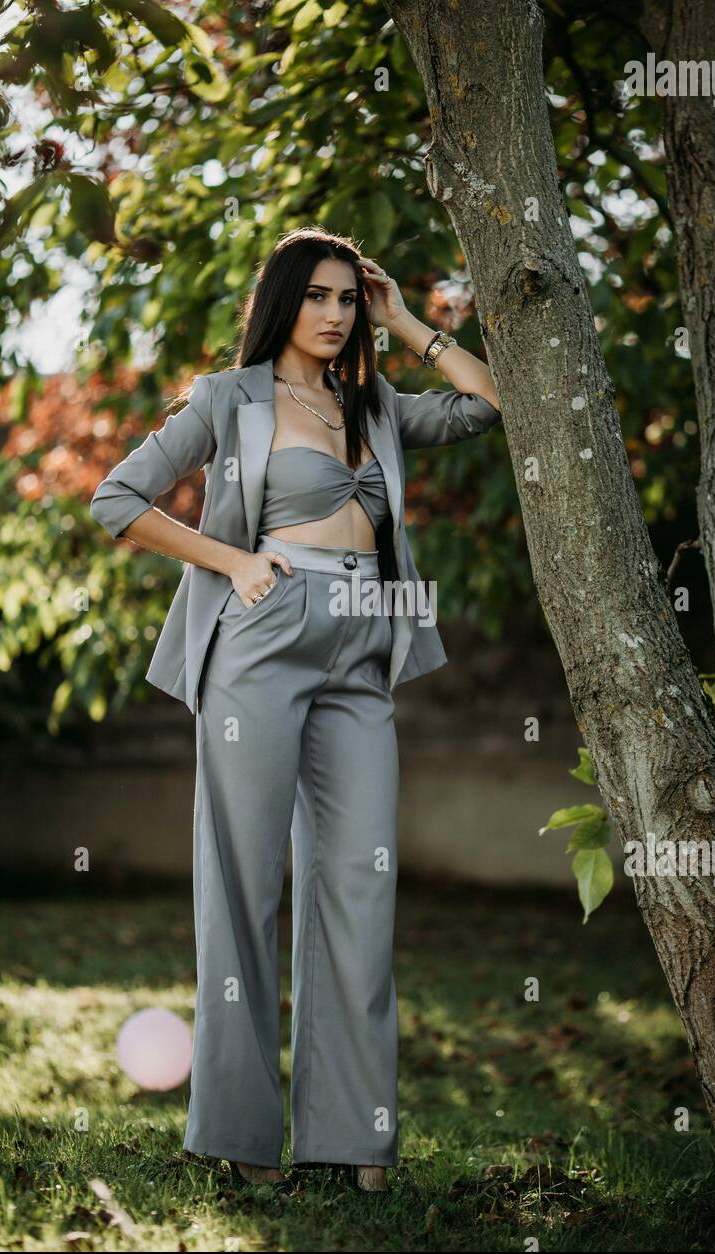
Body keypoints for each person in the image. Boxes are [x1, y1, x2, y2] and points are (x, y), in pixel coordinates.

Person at [90, 227, 501, 1193]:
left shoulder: (375, 403)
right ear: (283, 302)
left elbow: (496, 405)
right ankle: (237, 1133)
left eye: (348, 300)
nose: (334, 314)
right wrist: (234, 560)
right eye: (317, 296)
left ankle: (352, 1139)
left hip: (366, 640)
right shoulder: (228, 398)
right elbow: (118, 500)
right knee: (243, 882)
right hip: (265, 634)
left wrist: (407, 320)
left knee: (360, 881)